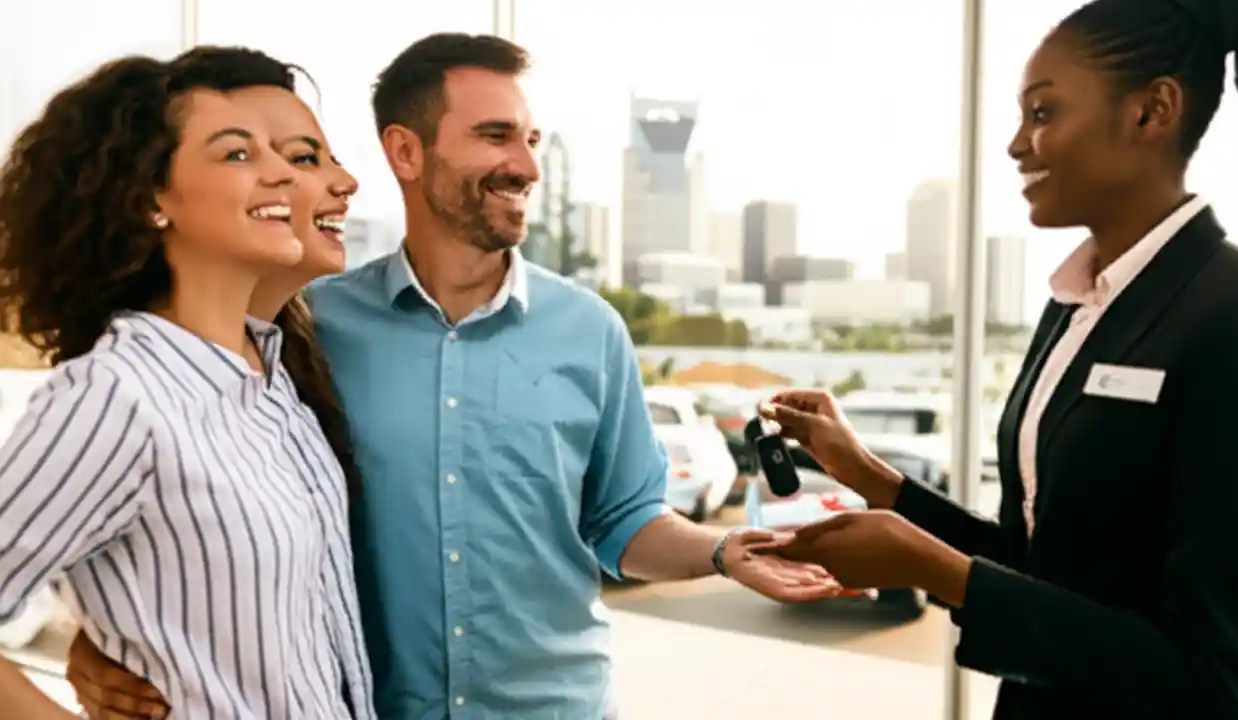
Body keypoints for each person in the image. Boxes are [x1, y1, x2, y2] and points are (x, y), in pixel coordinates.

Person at [757, 0, 1238, 718]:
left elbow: (1203, 683)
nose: (1014, 144)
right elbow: (1041, 566)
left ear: (1150, 112)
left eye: (1042, 112)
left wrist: (929, 568)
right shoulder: (1076, 303)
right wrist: (871, 478)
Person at [307, 33, 838, 719]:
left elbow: (624, 518)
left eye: (531, 140)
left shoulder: (590, 331)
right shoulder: (315, 328)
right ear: (406, 151)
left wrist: (723, 550)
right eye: (496, 136)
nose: (527, 165)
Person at [0, 52, 374, 718]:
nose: (284, 175)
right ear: (149, 199)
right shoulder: (117, 396)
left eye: (286, 156)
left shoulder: (270, 384)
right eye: (237, 154)